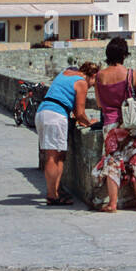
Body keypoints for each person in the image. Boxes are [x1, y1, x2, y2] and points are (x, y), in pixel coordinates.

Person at [90, 37, 136, 212]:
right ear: (124, 55)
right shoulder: (131, 74)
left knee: (113, 162)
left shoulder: (100, 76)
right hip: (131, 123)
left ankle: (112, 204)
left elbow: (99, 104)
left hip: (110, 124)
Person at [36, 62, 98, 205]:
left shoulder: (65, 74)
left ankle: (56, 191)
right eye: (94, 83)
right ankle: (52, 195)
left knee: (60, 156)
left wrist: (81, 119)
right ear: (92, 76)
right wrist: (90, 123)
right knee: (52, 157)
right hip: (55, 116)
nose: (92, 87)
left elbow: (74, 109)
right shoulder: (82, 82)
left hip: (42, 112)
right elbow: (80, 113)